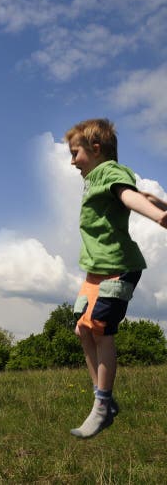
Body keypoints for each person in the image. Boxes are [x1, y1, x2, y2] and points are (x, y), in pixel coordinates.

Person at [64, 119, 167, 439]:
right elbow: (139, 196)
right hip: (95, 271)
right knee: (83, 328)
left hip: (118, 266)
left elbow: (128, 196)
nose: (71, 162)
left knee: (100, 331)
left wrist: (159, 215)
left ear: (96, 150)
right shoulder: (94, 177)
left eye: (75, 153)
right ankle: (104, 400)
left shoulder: (109, 172)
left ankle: (102, 404)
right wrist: (155, 202)